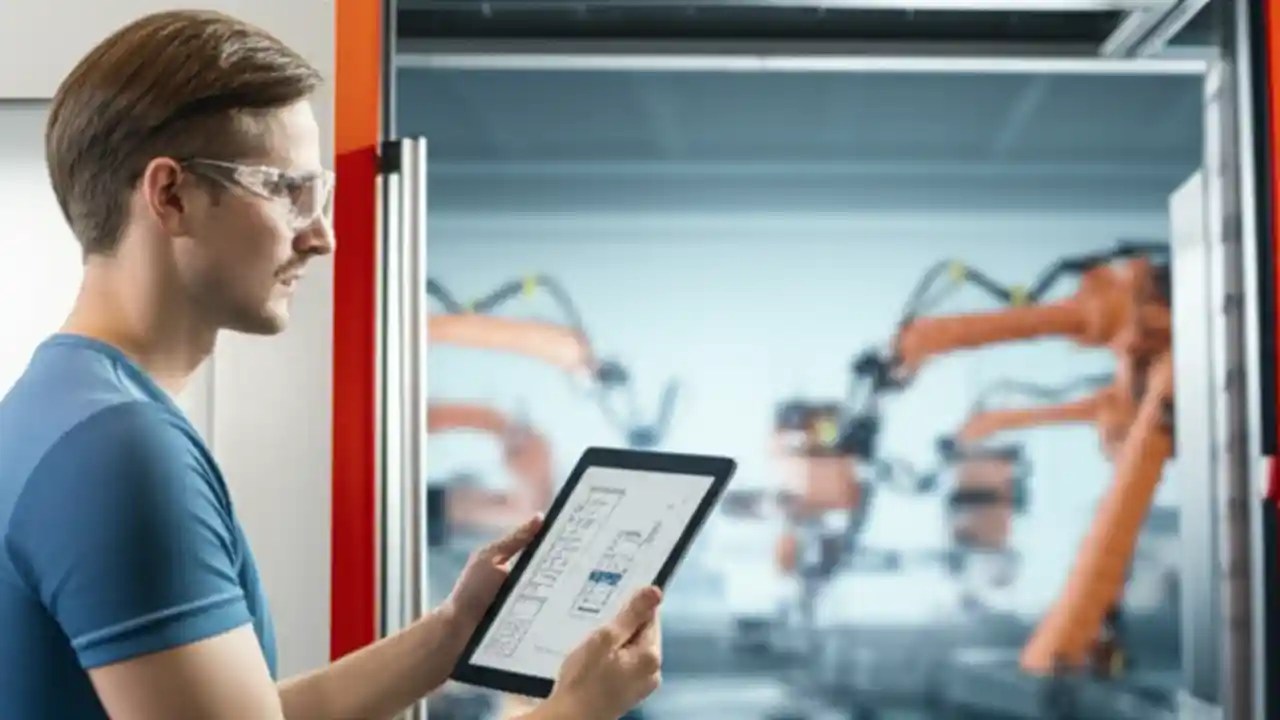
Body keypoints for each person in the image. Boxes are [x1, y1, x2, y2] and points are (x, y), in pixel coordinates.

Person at [0, 9, 663, 720]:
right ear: (172, 195)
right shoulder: (120, 452)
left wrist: (450, 634)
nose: (323, 236)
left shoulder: (60, 409)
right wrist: (571, 714)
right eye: (290, 192)